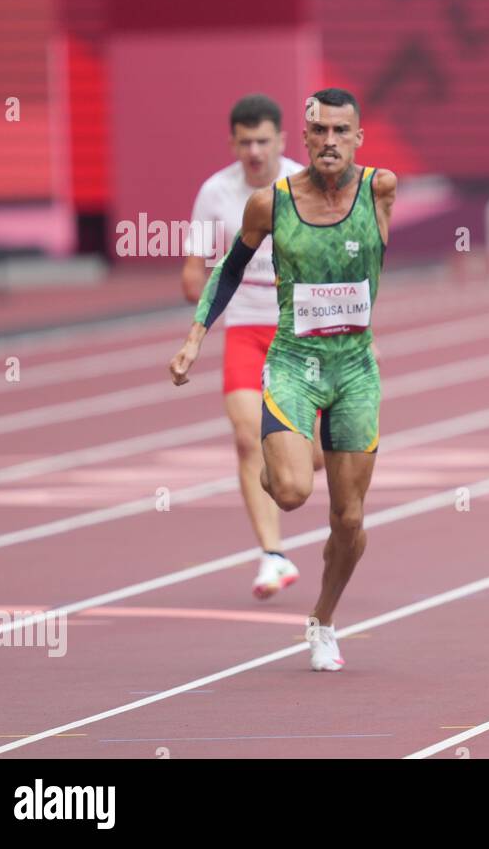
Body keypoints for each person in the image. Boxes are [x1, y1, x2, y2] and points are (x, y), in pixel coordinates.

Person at [170, 88, 397, 671]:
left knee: (349, 521)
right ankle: (275, 461)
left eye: (341, 131)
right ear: (305, 138)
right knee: (293, 492)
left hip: (355, 369)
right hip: (293, 359)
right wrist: (197, 334)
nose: (329, 141)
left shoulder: (380, 189)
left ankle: (323, 620)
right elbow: (227, 268)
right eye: (318, 131)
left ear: (358, 138)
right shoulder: (270, 203)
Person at [180, 93, 316, 601]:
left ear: (281, 140)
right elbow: (196, 265)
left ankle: (308, 457)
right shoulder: (215, 192)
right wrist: (195, 281)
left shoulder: (303, 186)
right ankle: (272, 555)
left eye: (263, 141)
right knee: (244, 438)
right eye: (245, 143)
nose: (254, 152)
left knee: (314, 458)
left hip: (299, 331)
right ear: (233, 144)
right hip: (244, 327)